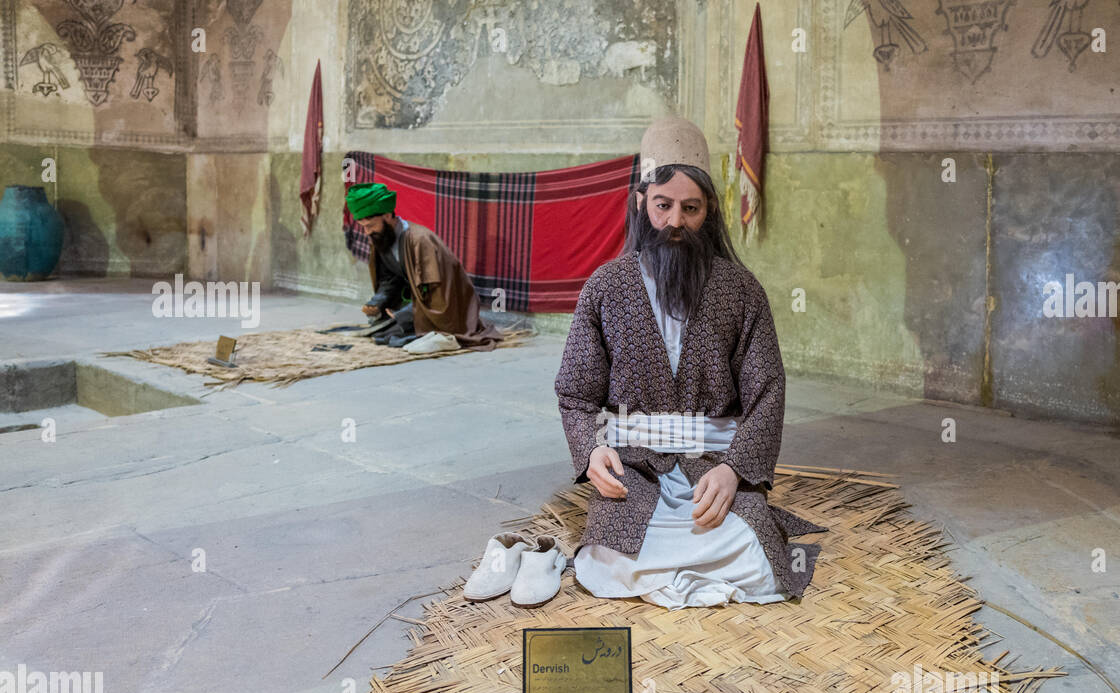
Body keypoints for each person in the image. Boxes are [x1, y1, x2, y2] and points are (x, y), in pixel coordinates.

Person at [554, 116, 823, 609]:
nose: (675, 221)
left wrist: (735, 471)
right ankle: (685, 574)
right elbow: (575, 393)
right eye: (663, 205)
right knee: (606, 554)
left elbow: (767, 392)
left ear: (709, 212)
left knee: (756, 545)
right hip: (638, 465)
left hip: (711, 465)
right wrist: (593, 452)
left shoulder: (741, 291)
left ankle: (681, 571)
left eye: (690, 208)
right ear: (641, 203)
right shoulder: (606, 287)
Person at [345, 182, 504, 353]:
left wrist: (403, 314)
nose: (368, 232)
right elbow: (389, 278)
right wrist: (377, 302)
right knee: (382, 333)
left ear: (387, 215)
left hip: (445, 307)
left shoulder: (420, 240)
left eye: (370, 226)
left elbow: (436, 291)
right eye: (364, 228)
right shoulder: (381, 237)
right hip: (417, 302)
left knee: (395, 338)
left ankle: (441, 335)